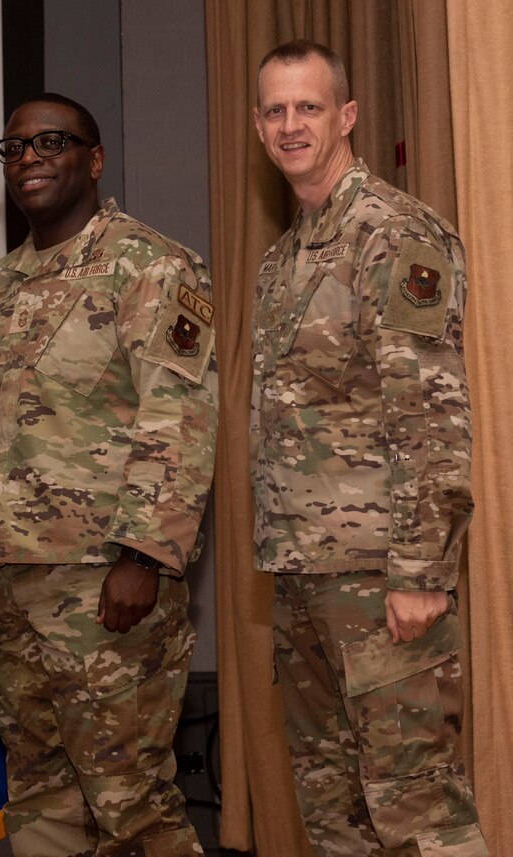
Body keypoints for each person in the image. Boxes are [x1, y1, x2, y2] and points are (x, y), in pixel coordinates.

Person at [0, 93, 218, 856]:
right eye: (14, 148)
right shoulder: (6, 284)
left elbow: (179, 416)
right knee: (40, 804)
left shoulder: (152, 265)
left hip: (106, 587)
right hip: (16, 588)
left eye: (52, 142)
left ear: (94, 159)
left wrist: (144, 554)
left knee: (131, 808)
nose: (29, 159)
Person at [251, 41, 487, 855]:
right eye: (275, 110)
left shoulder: (395, 233)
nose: (291, 125)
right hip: (302, 577)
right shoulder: (281, 259)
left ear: (346, 115)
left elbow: (432, 414)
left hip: (381, 581)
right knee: (336, 819)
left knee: (418, 814)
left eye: (308, 107)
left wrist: (421, 573)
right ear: (258, 126)